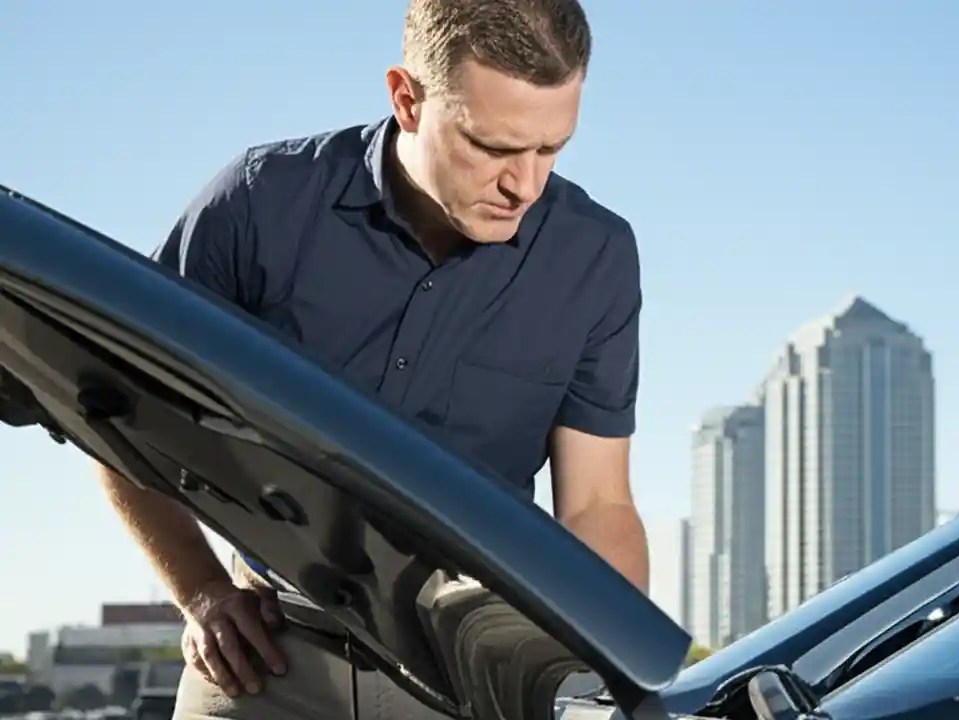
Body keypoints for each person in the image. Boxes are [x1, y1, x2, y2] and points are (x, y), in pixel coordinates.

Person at [97, 0, 649, 716]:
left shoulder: (595, 258)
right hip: (262, 664)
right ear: (407, 99)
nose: (526, 185)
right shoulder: (261, 202)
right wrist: (200, 591)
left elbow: (599, 504)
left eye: (552, 149)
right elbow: (115, 409)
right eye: (493, 147)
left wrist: (619, 684)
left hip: (470, 678)